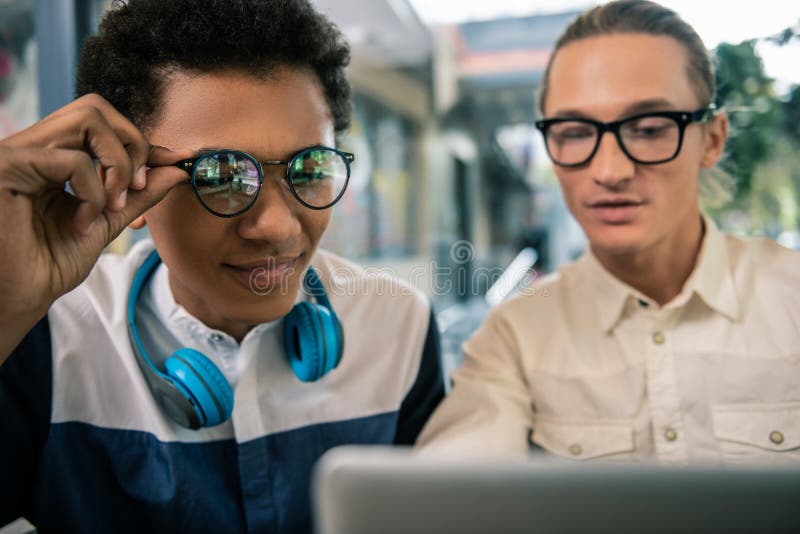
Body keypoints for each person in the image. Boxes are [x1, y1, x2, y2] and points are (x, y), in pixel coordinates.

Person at [0, 0, 443, 531]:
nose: (278, 227)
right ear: (124, 181)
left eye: (311, 167)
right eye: (220, 175)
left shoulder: (396, 326)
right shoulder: (49, 338)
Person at [418, 0, 800, 464]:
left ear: (712, 139)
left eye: (649, 128)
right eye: (576, 132)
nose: (610, 170)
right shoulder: (515, 337)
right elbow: (455, 496)